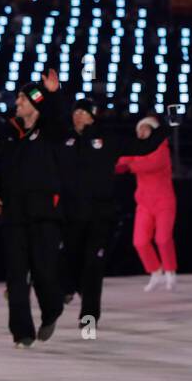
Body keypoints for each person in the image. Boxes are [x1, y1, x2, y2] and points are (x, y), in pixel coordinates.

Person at [56, 97, 169, 328]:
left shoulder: (106, 139)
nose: (80, 115)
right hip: (70, 216)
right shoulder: (61, 140)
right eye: (76, 111)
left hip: (100, 216)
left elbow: (143, 147)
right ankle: (69, 288)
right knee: (70, 262)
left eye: (85, 112)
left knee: (93, 268)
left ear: (93, 115)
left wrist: (168, 125)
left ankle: (89, 319)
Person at [0, 72, 68, 348]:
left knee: (44, 271)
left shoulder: (51, 132)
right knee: (16, 275)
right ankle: (21, 331)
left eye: (23, 98)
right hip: (13, 213)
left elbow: (58, 117)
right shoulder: (8, 131)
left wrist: (53, 94)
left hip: (44, 212)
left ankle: (52, 309)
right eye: (18, 97)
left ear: (36, 103)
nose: (17, 102)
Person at [116, 114, 178, 293]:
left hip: (164, 201)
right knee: (140, 241)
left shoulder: (161, 148)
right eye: (140, 129)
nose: (142, 132)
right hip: (144, 203)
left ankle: (170, 272)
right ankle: (155, 272)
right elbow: (120, 163)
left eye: (146, 128)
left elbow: (151, 164)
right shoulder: (135, 149)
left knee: (163, 238)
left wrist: (129, 165)